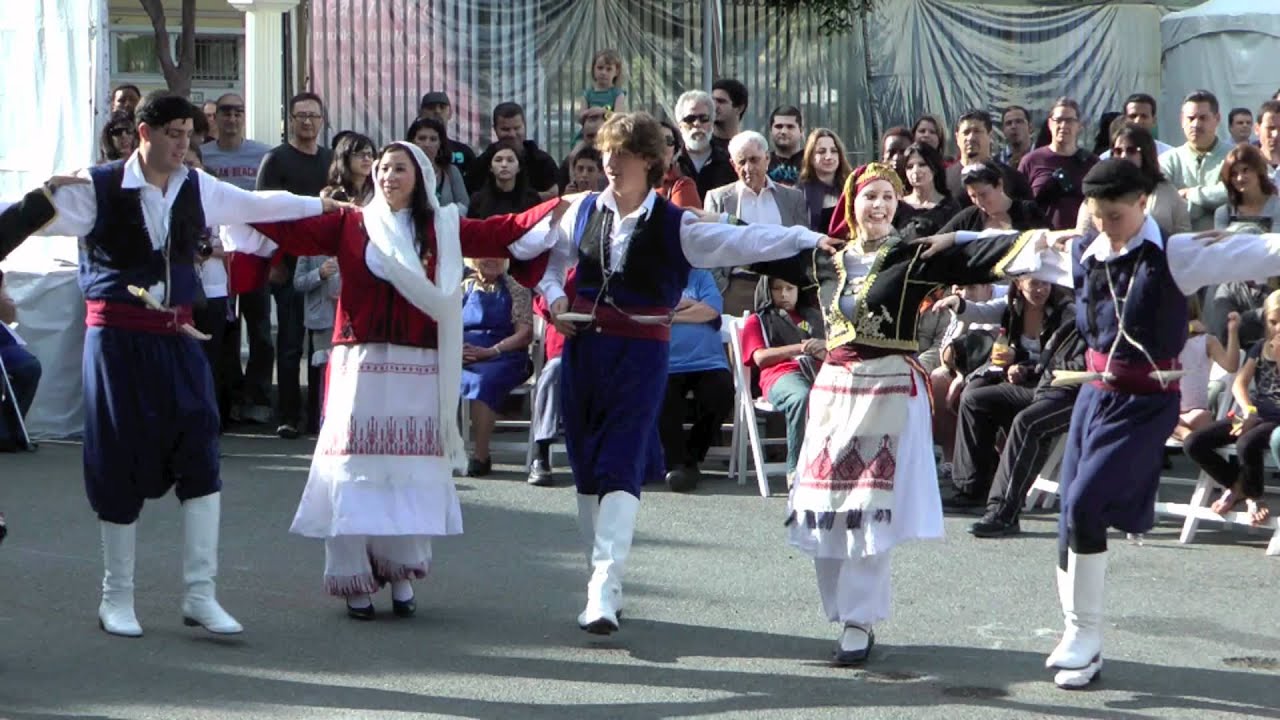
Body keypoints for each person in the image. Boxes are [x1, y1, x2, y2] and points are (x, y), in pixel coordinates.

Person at [916, 157, 1280, 689]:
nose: (1105, 226)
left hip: (1146, 401)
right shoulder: (1085, 251)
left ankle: (1085, 634)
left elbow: (1263, 248)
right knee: (1071, 511)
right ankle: (1079, 640)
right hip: (1094, 396)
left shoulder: (1175, 255)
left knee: (1086, 501)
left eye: (1115, 215)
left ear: (1141, 204)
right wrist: (954, 243)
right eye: (1096, 215)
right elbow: (1018, 248)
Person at [0, 91, 346, 638]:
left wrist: (321, 207)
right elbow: (18, 221)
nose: (184, 145)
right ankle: (116, 597)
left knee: (201, 446)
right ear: (144, 133)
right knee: (117, 456)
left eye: (189, 135)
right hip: (116, 340)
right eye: (174, 135)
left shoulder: (198, 186)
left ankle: (200, 594)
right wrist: (44, 195)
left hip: (180, 336)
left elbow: (256, 206)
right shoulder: (98, 187)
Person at [228, 141, 564, 619]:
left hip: (418, 365)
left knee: (405, 473)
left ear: (421, 176)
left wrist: (560, 208)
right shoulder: (350, 222)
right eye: (382, 168)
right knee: (355, 471)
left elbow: (500, 233)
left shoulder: (442, 228)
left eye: (399, 168)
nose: (388, 176)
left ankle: (401, 570)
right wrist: (233, 202)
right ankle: (354, 580)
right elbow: (291, 227)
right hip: (359, 362)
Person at [536, 112, 837, 636]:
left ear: (649, 162)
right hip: (585, 350)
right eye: (606, 153)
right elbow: (547, 263)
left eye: (622, 155)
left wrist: (806, 240)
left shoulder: (679, 224)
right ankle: (600, 578)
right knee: (585, 467)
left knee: (622, 461)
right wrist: (557, 298)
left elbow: (745, 242)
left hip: (641, 354)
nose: (609, 164)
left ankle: (603, 586)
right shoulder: (580, 211)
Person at [747, 162, 1052, 666]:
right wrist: (691, 223)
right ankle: (839, 610)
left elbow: (985, 257)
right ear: (851, 205)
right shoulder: (826, 259)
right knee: (827, 505)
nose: (880, 206)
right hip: (834, 390)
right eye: (869, 197)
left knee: (868, 505)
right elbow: (756, 247)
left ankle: (859, 620)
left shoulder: (912, 256)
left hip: (889, 389)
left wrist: (966, 241)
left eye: (889, 197)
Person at [934, 275, 1075, 510]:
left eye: (1045, 284)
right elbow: (979, 312)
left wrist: (1022, 361)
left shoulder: (1065, 312)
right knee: (972, 395)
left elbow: (1064, 358)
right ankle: (970, 487)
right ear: (1019, 284)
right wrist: (956, 303)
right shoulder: (1012, 306)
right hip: (1019, 378)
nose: (1040, 290)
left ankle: (1000, 494)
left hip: (1050, 383)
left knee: (993, 403)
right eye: (1034, 284)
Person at [255, 92, 335, 440]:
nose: (307, 122)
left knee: (322, 347)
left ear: (322, 121)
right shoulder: (275, 160)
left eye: (313, 116)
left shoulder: (331, 160)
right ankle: (287, 415)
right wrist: (273, 261)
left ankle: (321, 415)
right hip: (288, 267)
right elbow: (261, 215)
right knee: (289, 344)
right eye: (300, 115)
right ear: (289, 120)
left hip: (326, 267)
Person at [1184, 290, 1280, 527]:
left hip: (1276, 419)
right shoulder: (1259, 347)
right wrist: (1248, 410)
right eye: (1273, 322)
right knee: (1194, 442)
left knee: (1246, 443)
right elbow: (1240, 382)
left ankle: (1255, 496)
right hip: (1255, 413)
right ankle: (1238, 486)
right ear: (1265, 321)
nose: (1278, 328)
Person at [739, 276, 825, 482]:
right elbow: (759, 357)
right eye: (777, 289)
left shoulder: (816, 318)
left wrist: (824, 347)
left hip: (819, 372)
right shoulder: (757, 320)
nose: (784, 294)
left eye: (790, 288)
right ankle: (796, 471)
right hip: (781, 375)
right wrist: (800, 347)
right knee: (801, 396)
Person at [657, 268, 734, 492]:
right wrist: (691, 304)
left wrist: (672, 316)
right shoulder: (654, 278)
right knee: (662, 397)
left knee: (722, 394)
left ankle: (689, 458)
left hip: (708, 362)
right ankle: (678, 464)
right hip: (666, 362)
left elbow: (711, 310)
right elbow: (652, 313)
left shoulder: (701, 276)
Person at [460, 258, 534, 477]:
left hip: (504, 356)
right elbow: (442, 322)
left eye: (497, 254)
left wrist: (492, 351)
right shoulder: (461, 286)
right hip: (464, 354)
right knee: (432, 374)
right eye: (485, 254)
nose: (491, 259)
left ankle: (480, 456)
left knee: (483, 381)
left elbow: (525, 334)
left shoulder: (515, 287)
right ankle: (438, 452)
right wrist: (455, 349)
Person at [1078, 124, 1190, 236]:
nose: (1124, 156)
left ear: (1145, 153)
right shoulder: (1100, 190)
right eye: (1118, 151)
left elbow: (1184, 232)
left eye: (1131, 150)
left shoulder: (1164, 190)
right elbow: (1084, 233)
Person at [1018, 97, 1097, 230]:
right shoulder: (1031, 161)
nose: (1063, 126)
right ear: (1049, 123)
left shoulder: (1092, 163)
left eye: (1069, 121)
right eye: (1058, 120)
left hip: (1082, 241)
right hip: (1042, 239)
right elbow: (1017, 205)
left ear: (1079, 125)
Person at [1160, 90, 1230, 231]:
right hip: (1179, 242)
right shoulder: (1168, 161)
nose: (1196, 124)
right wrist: (1211, 202)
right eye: (1190, 118)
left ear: (1217, 119)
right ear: (1182, 120)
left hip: (1224, 242)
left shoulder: (1235, 157)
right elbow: (1165, 205)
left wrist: (1191, 194)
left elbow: (1237, 193)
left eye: (1203, 118)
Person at [1172, 299, 1239, 442]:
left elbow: (1231, 366)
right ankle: (1188, 436)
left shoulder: (1207, 340)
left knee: (1203, 417)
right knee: (1159, 417)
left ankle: (1186, 435)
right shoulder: (1165, 339)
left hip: (1196, 412)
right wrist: (1188, 328)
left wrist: (1233, 331)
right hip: (1170, 410)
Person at [941, 161, 1047, 233]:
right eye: (973, 196)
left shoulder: (1028, 211)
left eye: (983, 194)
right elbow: (940, 238)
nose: (979, 202)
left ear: (999, 184)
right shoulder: (969, 218)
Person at [896, 143, 960, 237]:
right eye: (909, 167)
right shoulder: (898, 206)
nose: (916, 171)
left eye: (922, 165)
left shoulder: (950, 207)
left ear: (934, 168)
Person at [408, 117, 470, 213]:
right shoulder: (404, 171)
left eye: (433, 139)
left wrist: (442, 217)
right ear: (411, 141)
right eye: (422, 138)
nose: (427, 144)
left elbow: (464, 206)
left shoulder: (451, 171)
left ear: (440, 144)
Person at [1213, 143, 1280, 232]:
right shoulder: (1224, 213)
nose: (1240, 178)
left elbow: (1275, 241)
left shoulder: (1277, 207)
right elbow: (1221, 244)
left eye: (1245, 170)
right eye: (1234, 174)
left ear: (1259, 170)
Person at [468, 140, 543, 219]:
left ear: (519, 167)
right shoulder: (478, 200)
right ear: (490, 167)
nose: (504, 165)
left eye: (510, 160)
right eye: (498, 160)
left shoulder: (532, 198)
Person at [797, 128, 854, 232]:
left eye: (834, 151)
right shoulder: (799, 192)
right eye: (821, 152)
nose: (828, 157)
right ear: (810, 157)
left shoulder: (852, 187)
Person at [656, 119, 700, 209]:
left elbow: (683, 221)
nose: (662, 145)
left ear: (674, 150)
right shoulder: (632, 182)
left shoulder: (682, 185)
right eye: (657, 140)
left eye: (669, 141)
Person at [766, 105, 805, 186]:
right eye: (779, 126)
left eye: (790, 127)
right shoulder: (762, 162)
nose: (784, 131)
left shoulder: (811, 162)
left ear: (801, 131)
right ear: (770, 131)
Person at [582, 49, 628, 113]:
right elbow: (581, 117)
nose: (603, 72)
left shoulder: (618, 95)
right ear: (593, 69)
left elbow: (618, 117)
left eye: (609, 69)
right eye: (600, 68)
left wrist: (602, 112)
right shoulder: (587, 94)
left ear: (616, 72)